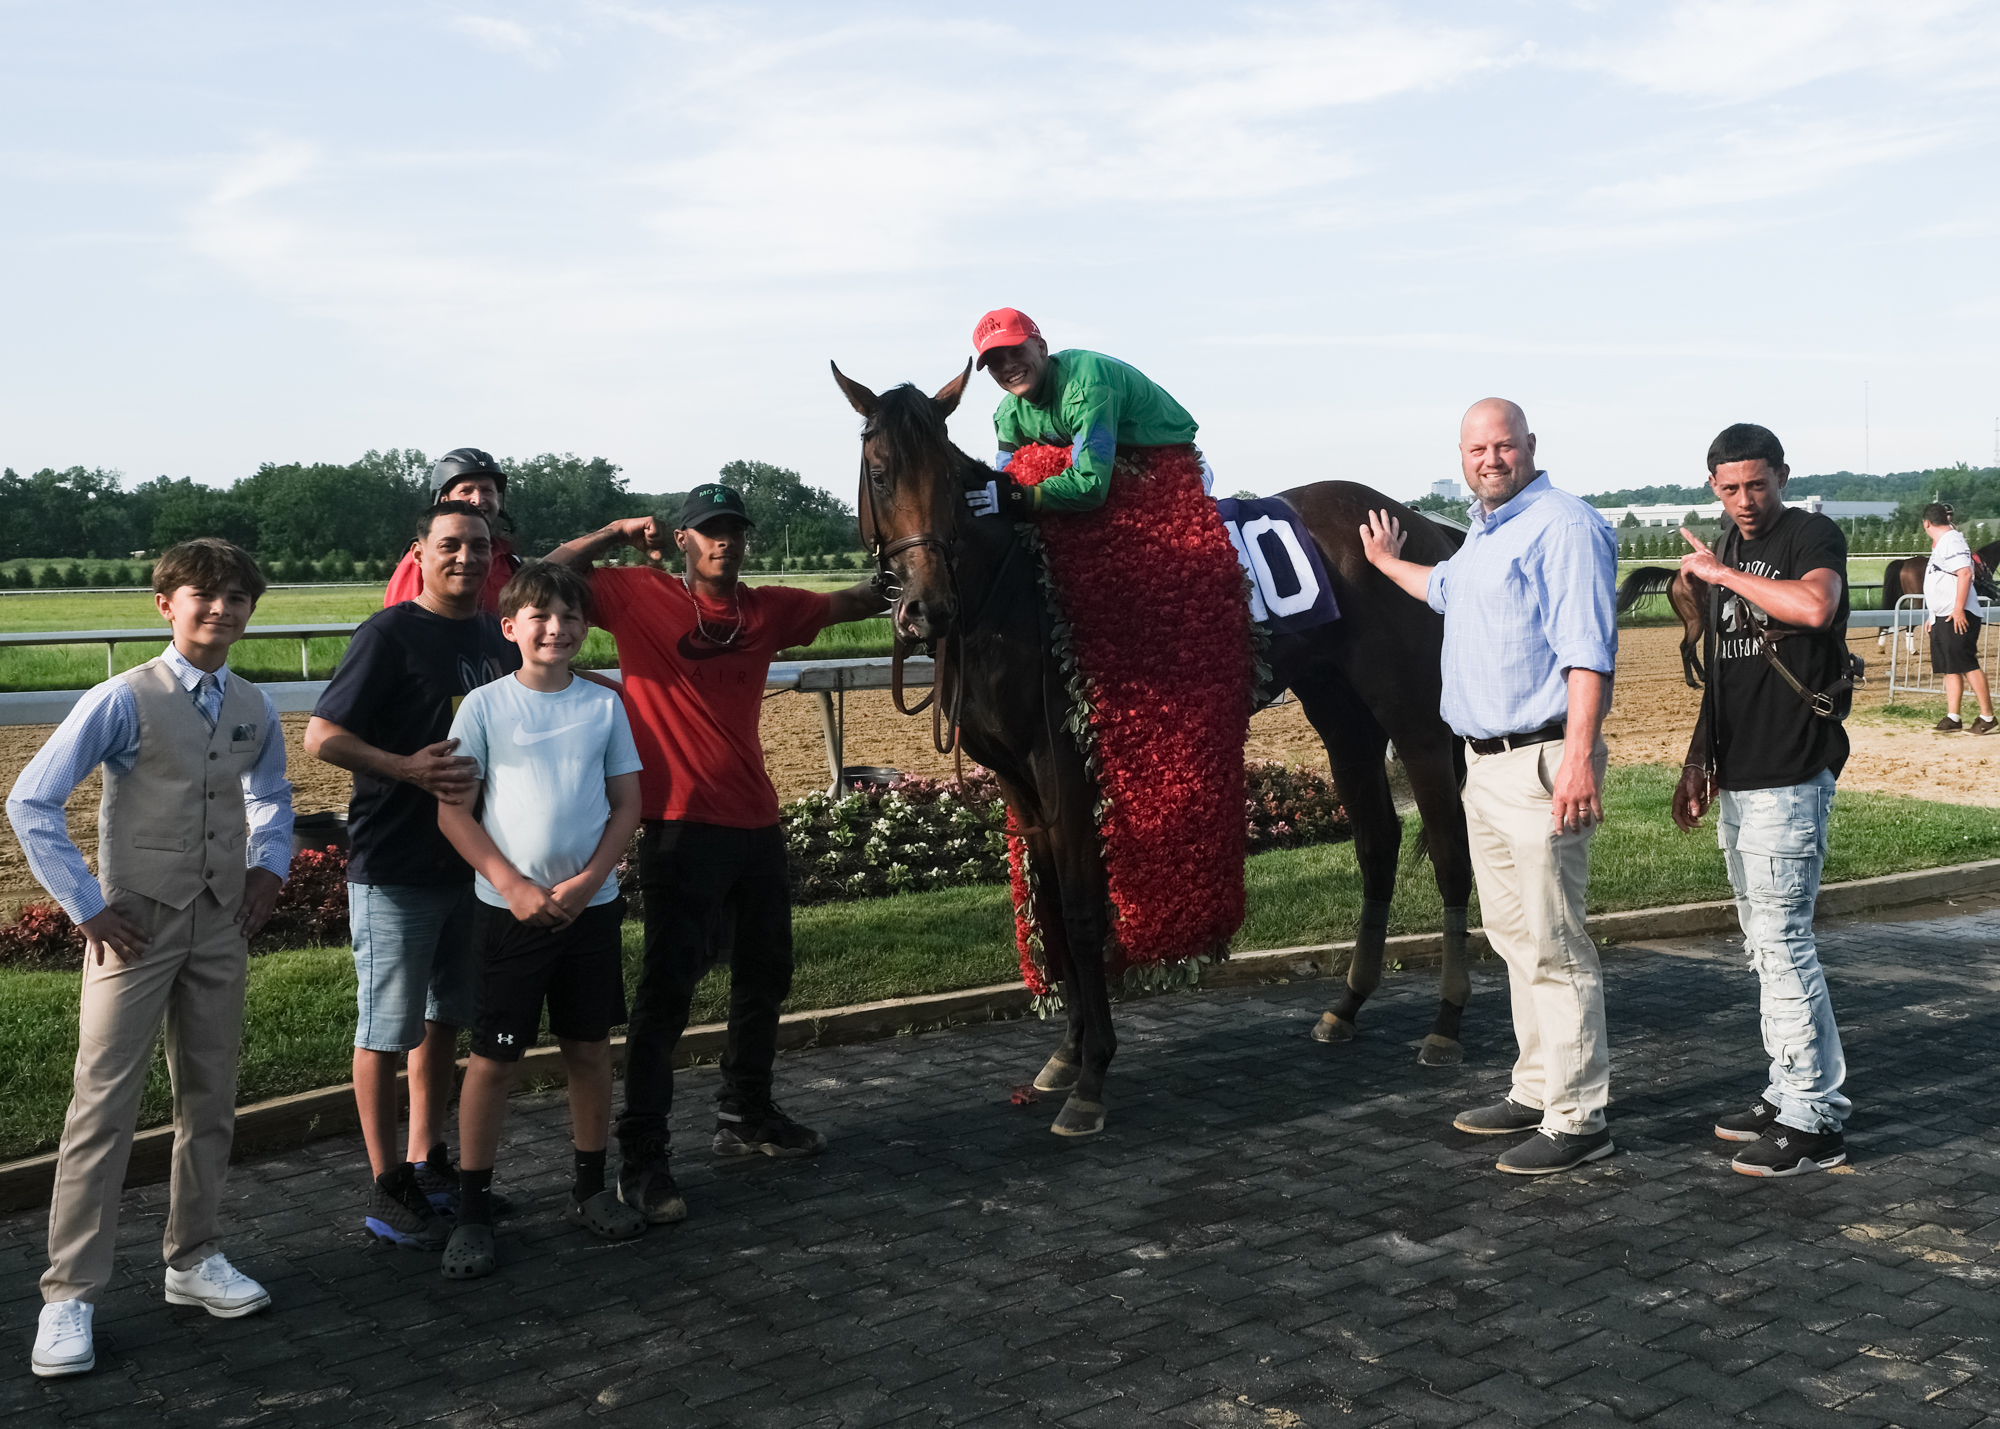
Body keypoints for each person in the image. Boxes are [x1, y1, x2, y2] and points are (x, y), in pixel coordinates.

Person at [549, 483, 885, 1223]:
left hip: (756, 821)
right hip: (679, 826)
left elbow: (857, 600)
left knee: (766, 976)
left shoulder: (769, 609)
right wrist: (613, 529)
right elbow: (545, 578)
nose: (723, 541)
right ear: (683, 541)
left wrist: (911, 562)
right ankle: (643, 1157)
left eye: (733, 530)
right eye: (708, 530)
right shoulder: (637, 595)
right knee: (666, 995)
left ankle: (746, 1113)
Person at [7, 539, 294, 1378]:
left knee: (211, 1096)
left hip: (219, 923)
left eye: (237, 597)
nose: (222, 609)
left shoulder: (254, 702)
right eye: (204, 594)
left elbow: (271, 796)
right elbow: (32, 800)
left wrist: (269, 869)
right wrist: (86, 904)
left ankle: (193, 1256)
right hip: (131, 927)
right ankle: (69, 1293)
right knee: (102, 1106)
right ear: (166, 604)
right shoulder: (123, 698)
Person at [1357, 398, 1618, 1176]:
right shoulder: (1486, 531)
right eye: (1477, 449)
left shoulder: (1563, 526)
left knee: (1555, 942)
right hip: (1485, 766)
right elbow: (1445, 589)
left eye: (1504, 445)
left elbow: (1588, 652)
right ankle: (1537, 1087)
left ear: (1530, 445)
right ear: (1462, 456)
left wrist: (1578, 758)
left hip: (1543, 763)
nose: (1491, 459)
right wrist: (1386, 564)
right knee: (1513, 939)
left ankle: (1580, 1117)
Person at [304, 501, 519, 1248]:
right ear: (419, 553)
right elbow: (321, 735)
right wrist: (405, 768)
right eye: (450, 544)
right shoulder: (388, 634)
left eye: (479, 546)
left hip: (473, 866)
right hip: (395, 864)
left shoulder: (496, 636)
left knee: (445, 1017)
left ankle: (430, 1161)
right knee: (386, 1029)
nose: (466, 557)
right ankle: (387, 1182)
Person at [435, 561, 648, 1277]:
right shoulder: (484, 707)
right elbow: (454, 814)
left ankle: (590, 1188)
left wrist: (589, 882)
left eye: (570, 617)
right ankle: (473, 1211)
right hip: (509, 915)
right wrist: (512, 885)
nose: (557, 628)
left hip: (591, 911)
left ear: (585, 628)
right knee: (494, 1060)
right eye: (540, 616)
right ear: (510, 628)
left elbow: (627, 804)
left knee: (588, 1049)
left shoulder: (604, 705)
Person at [1672, 423, 1855, 1177]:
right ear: (1713, 486)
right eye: (1730, 488)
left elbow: (1813, 608)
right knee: (1762, 943)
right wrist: (1698, 759)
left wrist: (1722, 574)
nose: (1744, 500)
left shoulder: (1810, 534)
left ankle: (1814, 1116)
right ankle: (1787, 1090)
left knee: (1784, 942)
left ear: (1781, 474)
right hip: (1741, 772)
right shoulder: (1726, 544)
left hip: (1791, 769)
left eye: (1756, 484)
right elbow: (1724, 670)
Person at [962, 307, 1211, 517]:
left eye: (1017, 351)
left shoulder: (1087, 386)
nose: (1008, 366)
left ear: (1041, 347)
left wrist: (1017, 498)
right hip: (1106, 476)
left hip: (1167, 467)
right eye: (996, 362)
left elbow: (1092, 485)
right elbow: (1008, 479)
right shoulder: (1007, 415)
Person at [381, 448, 523, 612]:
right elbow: (402, 621)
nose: (478, 499)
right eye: (466, 491)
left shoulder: (506, 557)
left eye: (487, 490)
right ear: (444, 500)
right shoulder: (422, 560)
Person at [1919, 502, 1994, 734]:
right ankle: (1954, 716)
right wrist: (1933, 614)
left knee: (1967, 664)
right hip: (1943, 615)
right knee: (1950, 667)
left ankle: (1988, 717)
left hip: (1958, 614)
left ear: (1926, 523)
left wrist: (1959, 609)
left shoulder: (1952, 541)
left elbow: (1965, 573)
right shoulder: (1943, 543)